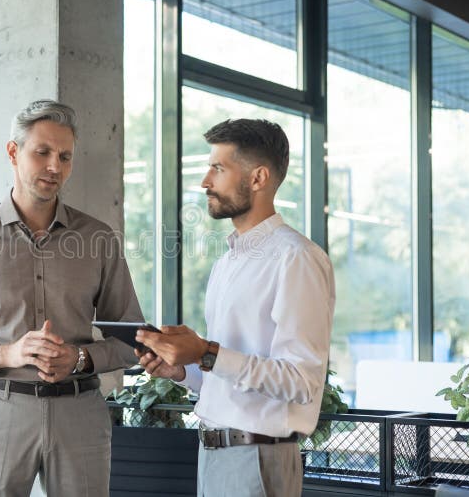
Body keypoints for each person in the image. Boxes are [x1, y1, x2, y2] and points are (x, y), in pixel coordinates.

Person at [0, 99, 143, 497]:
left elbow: (131, 340)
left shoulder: (98, 239)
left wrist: (82, 358)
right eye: (43, 152)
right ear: (13, 152)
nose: (55, 166)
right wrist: (4, 355)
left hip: (81, 416)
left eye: (65, 156)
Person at [136, 118, 335, 497]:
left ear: (258, 178)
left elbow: (302, 382)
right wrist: (183, 370)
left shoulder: (296, 259)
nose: (205, 181)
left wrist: (207, 352)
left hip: (258, 459)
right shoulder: (226, 262)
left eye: (218, 168)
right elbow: (228, 376)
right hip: (214, 455)